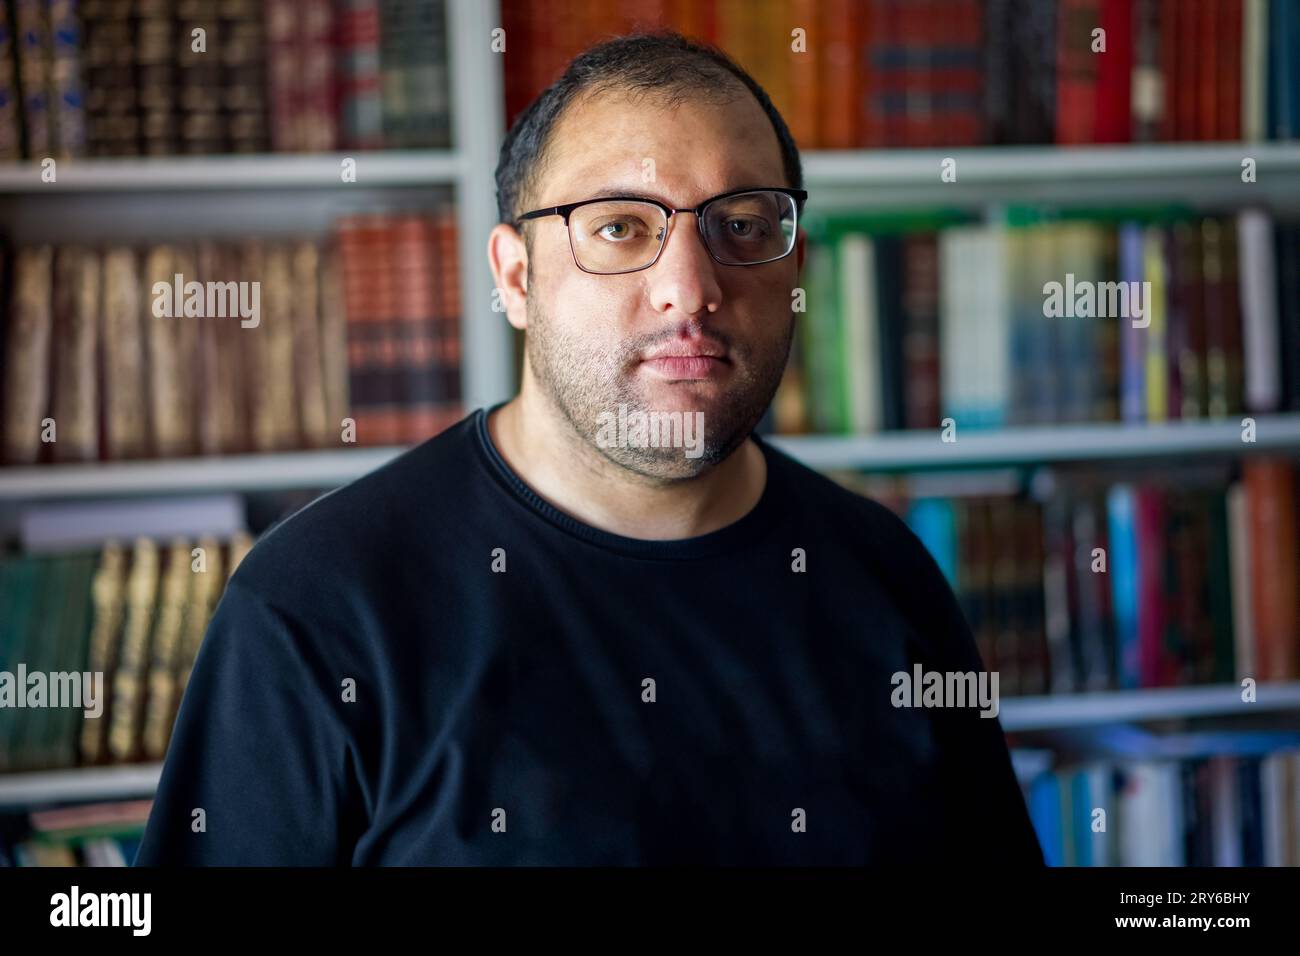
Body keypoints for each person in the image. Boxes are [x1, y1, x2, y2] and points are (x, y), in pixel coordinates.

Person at [136, 32, 1043, 866]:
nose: (689, 289)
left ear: (796, 268)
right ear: (518, 278)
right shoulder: (315, 607)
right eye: (620, 226)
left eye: (742, 225)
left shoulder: (889, 577)